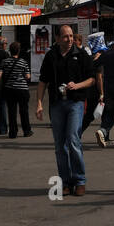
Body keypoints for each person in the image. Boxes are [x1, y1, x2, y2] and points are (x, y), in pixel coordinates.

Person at [36, 24, 95, 196]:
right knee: (60, 146)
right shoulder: (51, 56)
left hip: (75, 102)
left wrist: (77, 85)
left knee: (73, 140)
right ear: (57, 38)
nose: (69, 39)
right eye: (65, 36)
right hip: (56, 104)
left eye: (71, 36)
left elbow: (91, 79)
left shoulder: (81, 54)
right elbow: (42, 81)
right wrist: (39, 103)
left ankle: (80, 180)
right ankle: (66, 182)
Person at [0, 42, 33, 138]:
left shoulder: (4, 62)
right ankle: (27, 130)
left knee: (11, 111)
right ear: (19, 51)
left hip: (9, 89)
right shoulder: (23, 62)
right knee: (24, 110)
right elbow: (28, 76)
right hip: (22, 89)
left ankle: (13, 132)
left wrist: (2, 84)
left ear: (10, 50)